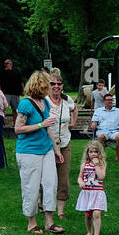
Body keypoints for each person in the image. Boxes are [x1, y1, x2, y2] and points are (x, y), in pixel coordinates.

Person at [14, 70, 65, 235]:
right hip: (29, 152)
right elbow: (18, 129)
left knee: (51, 184)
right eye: (47, 85)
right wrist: (40, 125)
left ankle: (50, 222)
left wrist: (56, 150)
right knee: (31, 186)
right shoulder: (25, 104)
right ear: (39, 85)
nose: (50, 88)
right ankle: (32, 222)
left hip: (46, 149)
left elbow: (48, 127)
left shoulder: (46, 103)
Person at [44, 69, 77, 220]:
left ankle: (61, 211)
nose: (56, 86)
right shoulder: (44, 100)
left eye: (59, 83)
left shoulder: (67, 100)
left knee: (63, 177)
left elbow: (74, 108)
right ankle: (43, 204)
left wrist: (73, 122)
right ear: (48, 85)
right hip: (47, 144)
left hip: (64, 142)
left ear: (62, 86)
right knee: (46, 177)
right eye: (53, 83)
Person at [76, 138, 108, 235]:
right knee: (88, 215)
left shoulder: (102, 164)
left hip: (97, 192)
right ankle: (89, 231)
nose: (93, 154)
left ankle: (97, 234)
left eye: (96, 151)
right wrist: (80, 182)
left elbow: (101, 176)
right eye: (91, 151)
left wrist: (97, 165)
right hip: (87, 193)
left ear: (100, 153)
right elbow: (80, 176)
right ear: (87, 153)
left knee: (97, 213)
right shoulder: (84, 165)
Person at [90, 93, 119, 161]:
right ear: (104, 101)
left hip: (114, 131)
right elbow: (94, 121)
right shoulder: (98, 111)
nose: (110, 101)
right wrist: (94, 124)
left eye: (111, 100)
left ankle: (117, 156)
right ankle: (102, 156)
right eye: (108, 100)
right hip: (102, 131)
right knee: (101, 137)